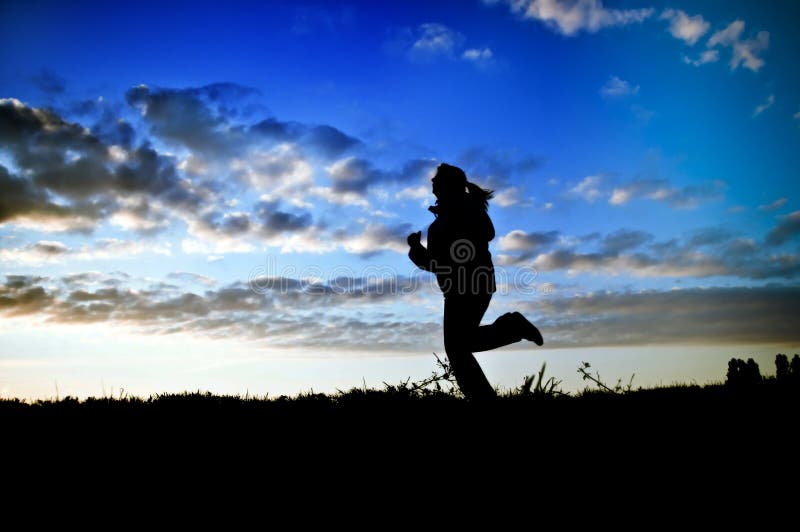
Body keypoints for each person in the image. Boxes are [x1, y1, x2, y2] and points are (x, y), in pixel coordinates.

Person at [407, 163, 543, 400]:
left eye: (436, 180)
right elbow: (437, 263)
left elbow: (485, 232)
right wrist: (416, 251)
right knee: (461, 344)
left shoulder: (465, 206)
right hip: (455, 288)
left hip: (470, 283)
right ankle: (511, 329)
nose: (432, 184)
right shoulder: (441, 220)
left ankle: (484, 399)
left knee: (457, 347)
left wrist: (456, 226)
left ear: (449, 184)